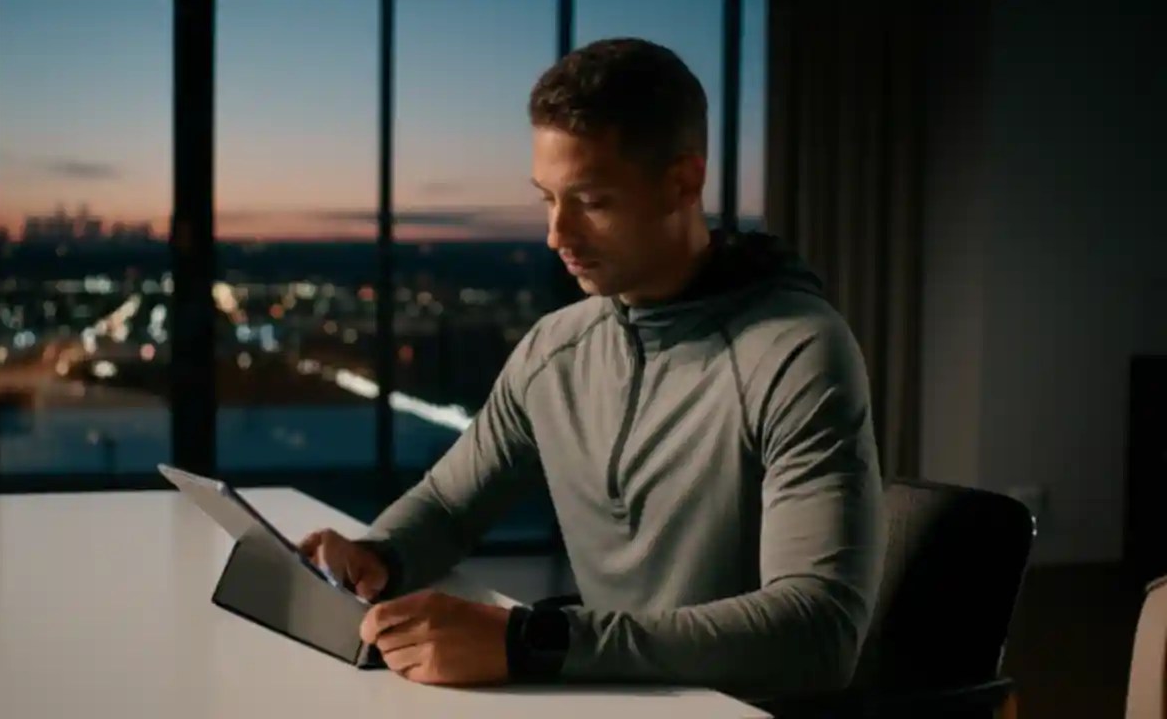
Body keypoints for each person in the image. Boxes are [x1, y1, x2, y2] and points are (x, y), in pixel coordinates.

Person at [299, 37, 884, 699]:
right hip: (605, 698)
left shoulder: (796, 352)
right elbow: (448, 505)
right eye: (547, 198)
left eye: (591, 202)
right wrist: (377, 556)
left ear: (683, 182)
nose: (556, 235)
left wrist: (531, 642)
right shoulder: (557, 348)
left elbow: (818, 634)